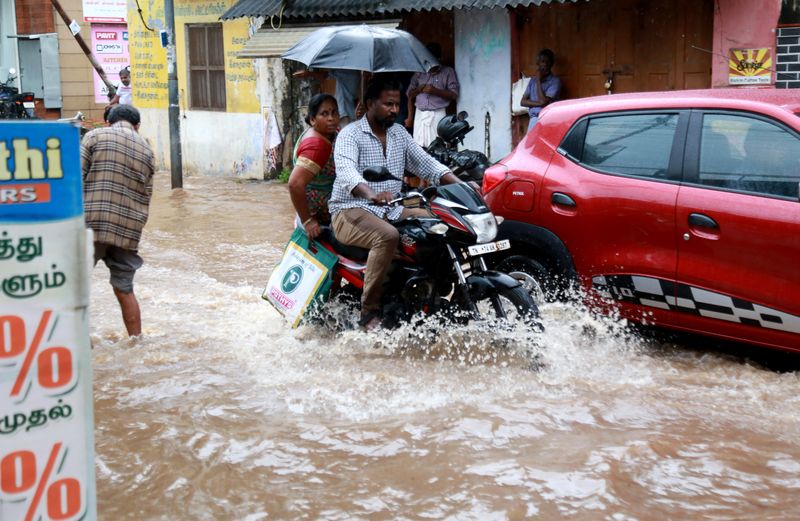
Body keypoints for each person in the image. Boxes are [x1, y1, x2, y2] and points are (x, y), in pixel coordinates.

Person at [330, 77, 462, 330]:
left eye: (397, 104)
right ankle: (369, 311)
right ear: (370, 103)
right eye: (388, 104)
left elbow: (426, 164)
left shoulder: (399, 133)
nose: (394, 110)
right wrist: (370, 194)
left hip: (392, 208)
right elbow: (347, 173)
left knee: (440, 221)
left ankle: (433, 289)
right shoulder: (350, 135)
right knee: (387, 236)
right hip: (349, 210)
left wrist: (461, 184)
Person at [81, 105, 155, 337]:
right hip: (128, 230)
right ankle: (136, 341)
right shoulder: (147, 149)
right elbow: (147, 193)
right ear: (137, 126)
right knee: (124, 288)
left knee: (74, 286)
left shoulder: (94, 136)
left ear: (108, 123)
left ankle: (80, 344)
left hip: (91, 223)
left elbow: (75, 177)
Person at [288, 93, 340, 240]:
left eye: (334, 113)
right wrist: (308, 221)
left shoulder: (327, 133)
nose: (331, 118)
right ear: (312, 119)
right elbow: (294, 184)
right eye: (324, 114)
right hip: (318, 215)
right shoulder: (317, 146)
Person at [404, 43, 459, 148]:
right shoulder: (419, 72)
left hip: (438, 115)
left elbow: (454, 95)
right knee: (419, 147)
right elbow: (410, 95)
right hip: (420, 114)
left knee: (438, 146)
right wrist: (418, 90)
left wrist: (436, 91)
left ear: (439, 58)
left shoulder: (448, 72)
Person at [520, 49, 561, 132]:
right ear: (538, 63)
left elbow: (543, 101)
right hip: (534, 119)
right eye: (542, 61)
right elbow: (523, 102)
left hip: (548, 119)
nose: (545, 64)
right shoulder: (532, 80)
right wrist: (539, 104)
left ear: (552, 64)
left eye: (548, 62)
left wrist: (538, 80)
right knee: (530, 144)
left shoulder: (555, 81)